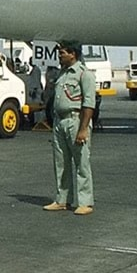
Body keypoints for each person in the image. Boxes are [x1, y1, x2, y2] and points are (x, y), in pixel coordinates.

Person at [42, 41, 98, 215]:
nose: (59, 56)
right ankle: (62, 199)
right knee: (61, 163)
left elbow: (89, 103)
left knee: (81, 162)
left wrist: (83, 129)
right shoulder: (62, 74)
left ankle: (85, 202)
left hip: (76, 120)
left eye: (62, 53)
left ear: (73, 54)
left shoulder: (84, 74)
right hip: (60, 122)